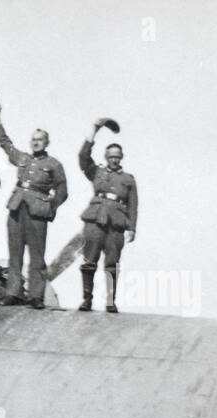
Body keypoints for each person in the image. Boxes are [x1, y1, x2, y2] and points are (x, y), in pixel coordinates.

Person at [0, 95, 67, 308]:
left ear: (47, 142)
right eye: (33, 139)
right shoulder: (23, 158)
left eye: (39, 139)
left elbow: (62, 191)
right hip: (16, 210)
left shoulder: (54, 164)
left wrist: (49, 208)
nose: (35, 142)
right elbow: (5, 144)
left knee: (37, 256)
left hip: (37, 214)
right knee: (14, 254)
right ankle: (12, 293)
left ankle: (35, 296)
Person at [78, 118, 137, 312]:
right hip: (95, 222)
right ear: (106, 156)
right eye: (111, 156)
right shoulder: (96, 172)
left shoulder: (128, 179)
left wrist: (131, 228)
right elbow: (83, 156)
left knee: (112, 264)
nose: (114, 159)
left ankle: (111, 301)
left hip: (116, 225)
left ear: (122, 158)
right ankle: (87, 299)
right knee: (89, 261)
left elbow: (133, 204)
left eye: (118, 157)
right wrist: (94, 130)